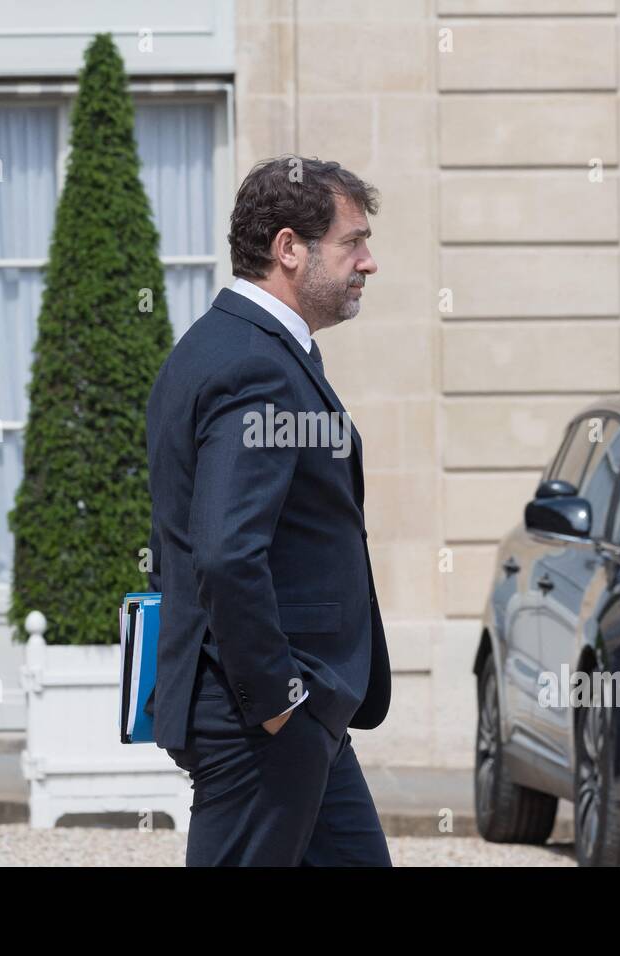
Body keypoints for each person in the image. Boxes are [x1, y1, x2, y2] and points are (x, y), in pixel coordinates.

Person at [144, 156, 392, 866]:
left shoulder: (236, 347)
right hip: (264, 719)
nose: (368, 263)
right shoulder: (254, 366)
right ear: (289, 248)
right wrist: (281, 702)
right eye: (353, 242)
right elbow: (224, 551)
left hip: (295, 716)